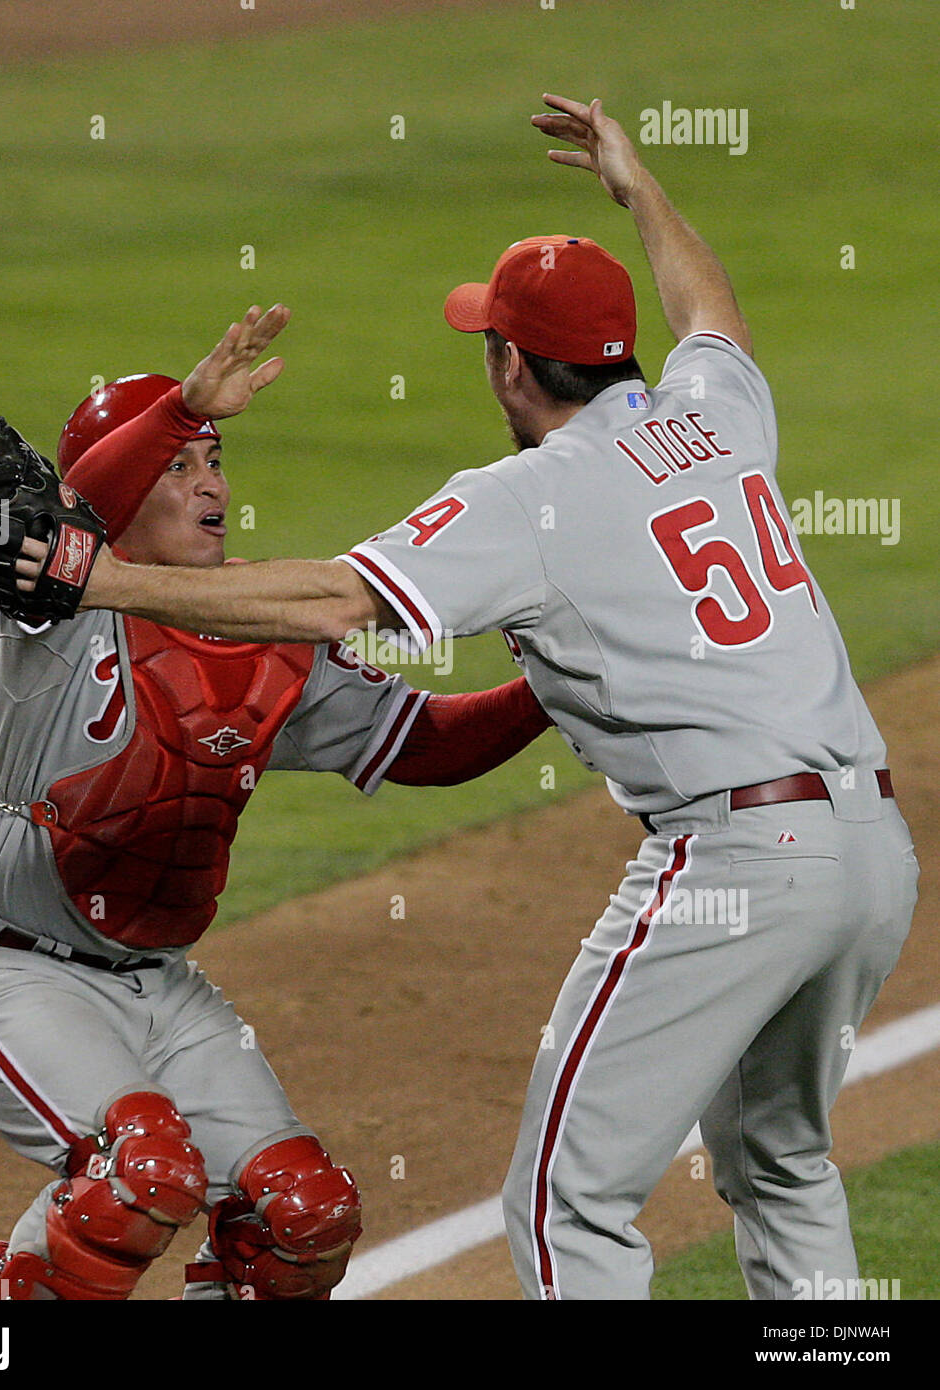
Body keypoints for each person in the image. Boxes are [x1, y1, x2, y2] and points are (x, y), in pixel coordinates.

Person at [53, 97, 919, 1301]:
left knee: (570, 1202)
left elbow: (330, 601)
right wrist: (638, 186)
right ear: (615, 353)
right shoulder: (712, 415)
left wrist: (99, 576)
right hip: (871, 843)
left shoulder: (529, 494)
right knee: (780, 1161)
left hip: (736, 859)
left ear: (509, 362)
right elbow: (707, 313)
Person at [0, 306, 552, 1302]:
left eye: (213, 458)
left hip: (155, 981)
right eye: (176, 464)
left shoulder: (265, 629)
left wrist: (555, 686)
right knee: (140, 1173)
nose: (209, 479)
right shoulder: (53, 615)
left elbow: (426, 743)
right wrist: (180, 407)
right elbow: (71, 518)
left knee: (305, 1215)